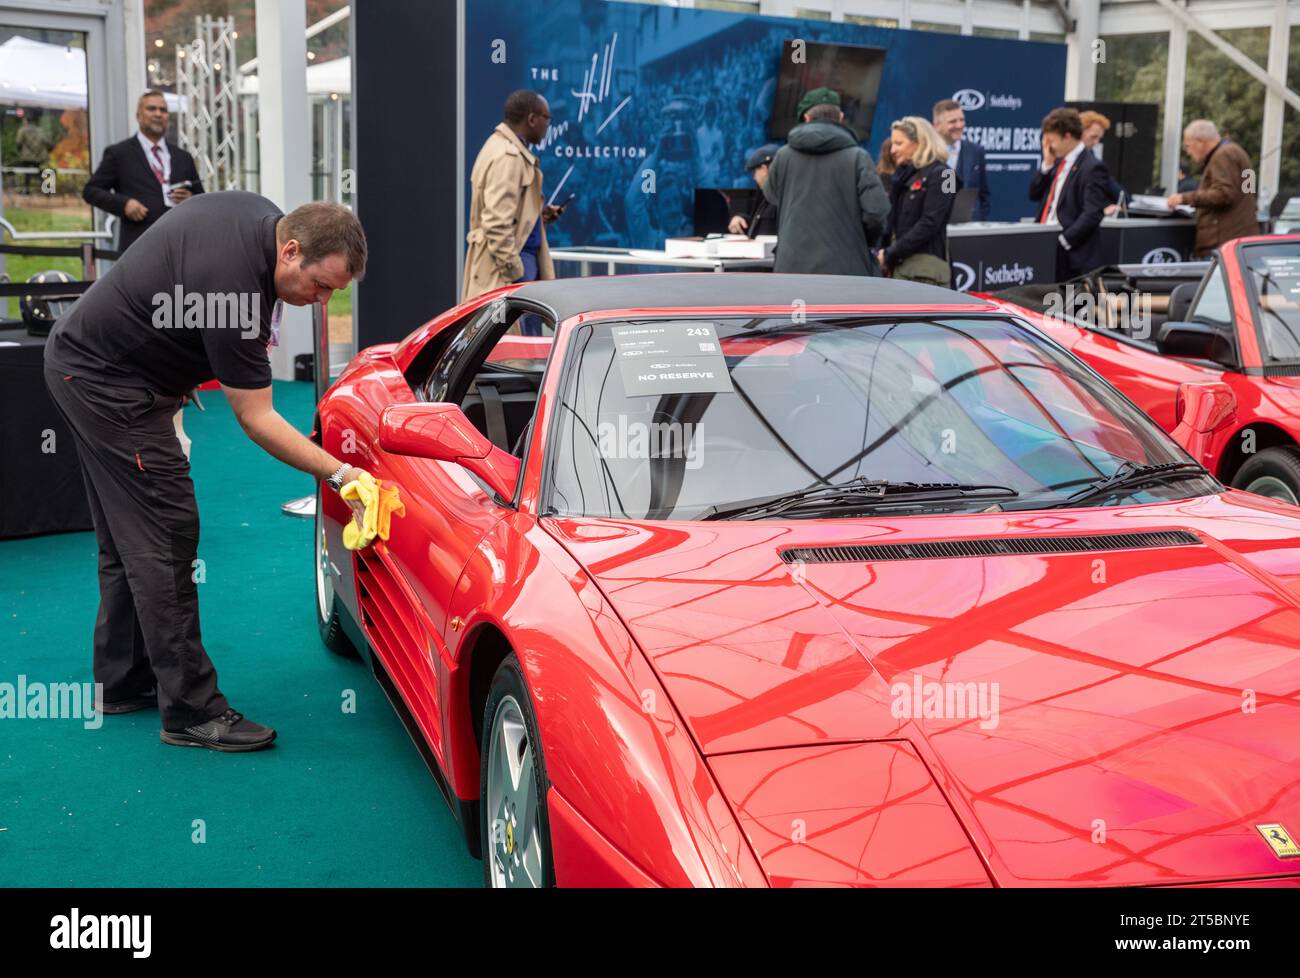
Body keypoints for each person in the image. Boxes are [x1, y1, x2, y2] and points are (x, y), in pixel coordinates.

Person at [44, 192, 368, 752]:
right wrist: (340, 473)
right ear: (290, 250)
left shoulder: (258, 219)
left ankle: (122, 680)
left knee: (128, 542)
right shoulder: (235, 293)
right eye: (321, 286)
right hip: (110, 387)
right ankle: (192, 710)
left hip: (85, 364)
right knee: (167, 537)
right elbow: (257, 417)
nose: (321, 301)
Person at [762, 87, 890, 276]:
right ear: (840, 118)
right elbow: (877, 212)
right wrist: (864, 241)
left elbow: (772, 196)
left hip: (791, 269)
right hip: (847, 272)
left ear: (806, 118)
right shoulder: (858, 157)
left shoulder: (783, 156)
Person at [462, 89, 561, 309]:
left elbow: (508, 215)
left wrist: (539, 218)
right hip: (506, 275)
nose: (548, 125)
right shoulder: (509, 156)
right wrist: (516, 272)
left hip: (510, 270)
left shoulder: (499, 147)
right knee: (515, 342)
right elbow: (496, 223)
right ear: (532, 119)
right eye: (547, 118)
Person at [83, 90, 205, 253]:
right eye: (151, 109)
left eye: (163, 110)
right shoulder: (119, 154)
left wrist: (190, 199)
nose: (158, 114)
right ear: (138, 116)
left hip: (179, 245)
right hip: (138, 246)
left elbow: (202, 199)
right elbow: (91, 191)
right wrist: (124, 204)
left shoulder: (183, 157)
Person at [1030, 107, 1111, 283]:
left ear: (1067, 136)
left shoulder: (1092, 167)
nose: (1049, 146)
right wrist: (1046, 164)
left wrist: (1063, 241)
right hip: (1046, 244)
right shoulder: (1057, 162)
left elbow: (1092, 213)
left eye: (1051, 140)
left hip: (1070, 254)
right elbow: (1034, 194)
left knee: (1066, 306)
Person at [878, 117, 956, 287]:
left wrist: (892, 253)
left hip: (924, 273)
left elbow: (932, 222)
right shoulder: (901, 177)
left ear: (919, 143)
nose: (892, 150)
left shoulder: (947, 174)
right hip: (898, 266)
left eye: (899, 143)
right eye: (892, 144)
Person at [1167, 120, 1259, 256]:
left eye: (1188, 146)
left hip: (1223, 244)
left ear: (1200, 142)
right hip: (1241, 239)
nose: (1188, 152)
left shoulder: (1222, 155)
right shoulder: (1238, 152)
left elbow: (1223, 194)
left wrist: (1183, 198)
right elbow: (1248, 192)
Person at [932, 98, 990, 221]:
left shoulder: (976, 151)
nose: (959, 125)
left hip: (970, 229)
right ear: (937, 126)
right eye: (952, 121)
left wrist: (979, 220)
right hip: (937, 227)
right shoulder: (929, 153)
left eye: (962, 120)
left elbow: (984, 194)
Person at [1079, 110, 1126, 215]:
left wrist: (1131, 205)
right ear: (1079, 132)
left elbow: (1110, 185)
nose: (1096, 142)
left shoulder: (1093, 159)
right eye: (1093, 137)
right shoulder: (1065, 159)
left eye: (1099, 138)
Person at [727, 143, 779, 237]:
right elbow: (761, 227)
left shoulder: (784, 198)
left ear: (764, 169)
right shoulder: (765, 195)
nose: (754, 177)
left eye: (755, 172)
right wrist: (741, 219)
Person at [15, 113, 50, 195]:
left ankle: (27, 191)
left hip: (27, 157)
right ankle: (47, 190)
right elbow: (46, 142)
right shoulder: (39, 130)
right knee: (39, 172)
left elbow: (18, 142)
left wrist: (20, 150)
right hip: (39, 156)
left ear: (26, 121)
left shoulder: (22, 130)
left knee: (27, 174)